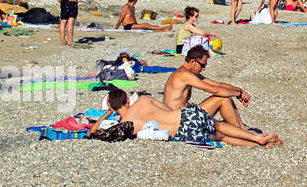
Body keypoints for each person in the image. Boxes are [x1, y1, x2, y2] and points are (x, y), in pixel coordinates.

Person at [87, 83, 279, 147]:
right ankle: (257, 137)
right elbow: (166, 109)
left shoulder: (127, 124)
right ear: (128, 100)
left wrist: (107, 114)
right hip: (183, 116)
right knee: (219, 125)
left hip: (181, 133)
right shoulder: (143, 101)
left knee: (222, 137)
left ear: (112, 107)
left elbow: (92, 133)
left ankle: (258, 144)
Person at [164, 45, 257, 131]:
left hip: (184, 116)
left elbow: (217, 85)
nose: (204, 68)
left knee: (226, 96)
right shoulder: (184, 75)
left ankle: (243, 129)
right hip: (179, 121)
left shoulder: (187, 72)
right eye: (202, 65)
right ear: (192, 61)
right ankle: (242, 131)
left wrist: (239, 90)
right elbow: (214, 90)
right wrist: (238, 94)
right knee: (222, 98)